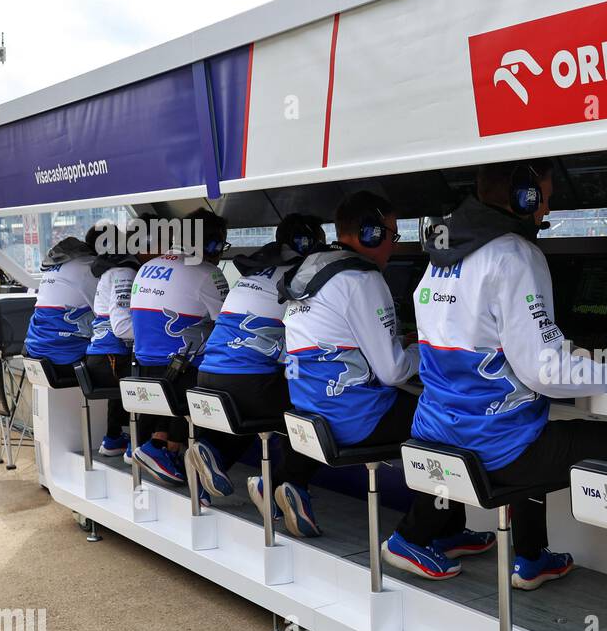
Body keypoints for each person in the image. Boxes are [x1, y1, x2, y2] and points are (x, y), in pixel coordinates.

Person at [408, 160, 607, 631]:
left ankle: (531, 557)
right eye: (544, 193)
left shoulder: (440, 258)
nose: (548, 204)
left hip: (442, 439)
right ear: (523, 197)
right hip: (498, 452)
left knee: (537, 424)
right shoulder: (514, 255)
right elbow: (545, 371)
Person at [279, 191, 492, 564]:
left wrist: (401, 344)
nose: (393, 246)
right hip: (355, 420)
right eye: (391, 235)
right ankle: (414, 538)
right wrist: (426, 350)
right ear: (370, 233)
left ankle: (450, 530)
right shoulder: (363, 279)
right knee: (452, 427)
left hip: (312, 410)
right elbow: (392, 371)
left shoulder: (315, 268)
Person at [187, 214, 327, 513]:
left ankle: (212, 454)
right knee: (309, 407)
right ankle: (282, 486)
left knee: (251, 415)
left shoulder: (255, 270)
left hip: (209, 374)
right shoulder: (304, 276)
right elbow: (303, 343)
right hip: (246, 382)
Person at [129, 211, 230, 487]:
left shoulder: (146, 267)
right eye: (221, 245)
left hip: (144, 373)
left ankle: (162, 447)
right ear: (211, 245)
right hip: (178, 377)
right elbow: (230, 323)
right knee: (231, 373)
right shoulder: (207, 272)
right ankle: (202, 462)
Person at [83, 221, 142, 459]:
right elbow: (122, 328)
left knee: (127, 377)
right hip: (110, 359)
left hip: (100, 358)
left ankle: (114, 438)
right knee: (152, 375)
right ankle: (139, 445)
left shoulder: (110, 271)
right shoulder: (123, 273)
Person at [23, 236, 97, 378]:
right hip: (65, 356)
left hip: (34, 348)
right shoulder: (88, 266)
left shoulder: (53, 267)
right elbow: (105, 312)